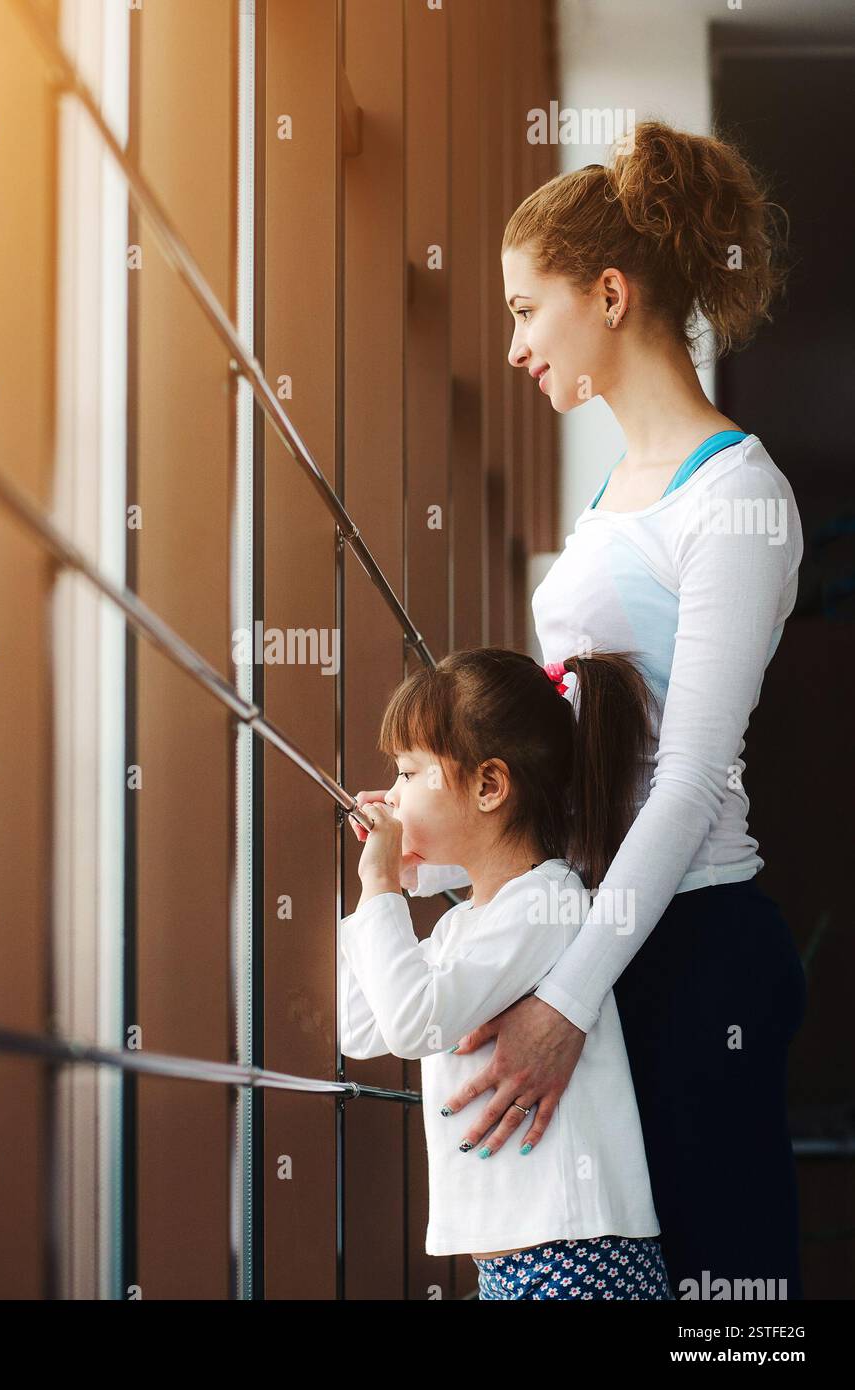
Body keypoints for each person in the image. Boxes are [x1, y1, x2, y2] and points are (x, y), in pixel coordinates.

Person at [363, 119, 806, 1300]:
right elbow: (579, 764)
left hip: (689, 942)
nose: (510, 345)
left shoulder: (740, 500)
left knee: (725, 1302)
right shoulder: (614, 494)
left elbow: (690, 775)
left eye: (521, 308)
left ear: (607, 294)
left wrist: (564, 997)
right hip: (605, 938)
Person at [341, 648, 673, 1299]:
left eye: (408, 772)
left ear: (489, 786)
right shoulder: (465, 923)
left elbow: (411, 1027)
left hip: (578, 1260)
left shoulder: (544, 905)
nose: (394, 792)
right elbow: (361, 1028)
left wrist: (380, 880)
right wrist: (387, 892)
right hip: (515, 1264)